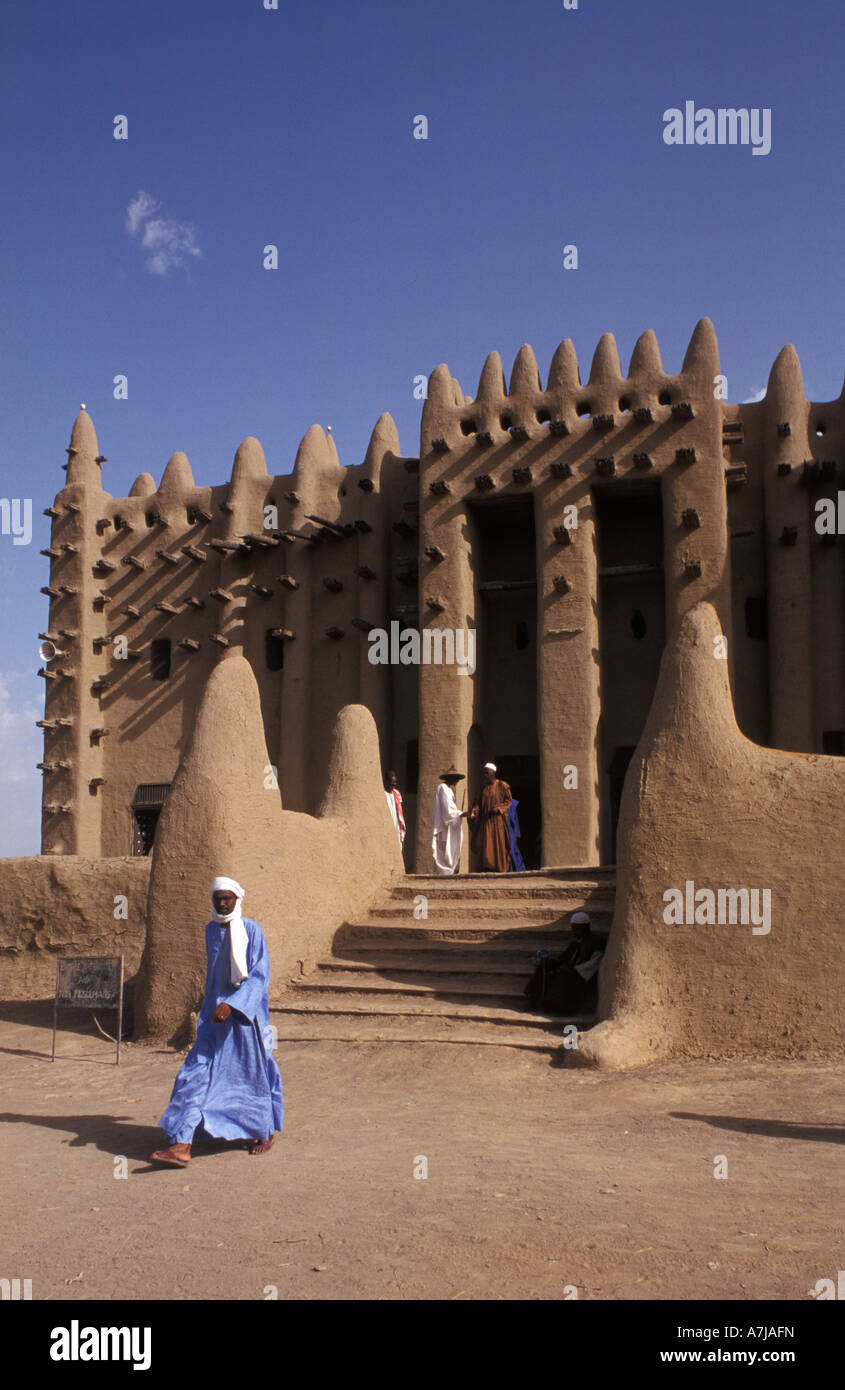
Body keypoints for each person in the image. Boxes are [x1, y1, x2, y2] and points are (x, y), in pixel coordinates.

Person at [150, 876, 283, 1166]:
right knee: (194, 1075)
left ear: (238, 899)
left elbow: (260, 976)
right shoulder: (211, 930)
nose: (223, 903)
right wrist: (211, 1008)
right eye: (218, 898)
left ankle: (264, 1132)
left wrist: (233, 1005)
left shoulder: (251, 930)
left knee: (249, 1077)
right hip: (213, 1019)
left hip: (245, 1019)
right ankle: (182, 1144)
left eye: (228, 898)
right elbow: (213, 977)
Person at [524, 911, 605, 1015]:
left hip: (582, 976)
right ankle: (533, 999)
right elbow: (562, 959)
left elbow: (594, 963)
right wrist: (549, 961)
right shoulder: (575, 943)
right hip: (569, 971)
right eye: (574, 927)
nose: (575, 930)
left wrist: (575, 970)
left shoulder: (597, 942)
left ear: (587, 926)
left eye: (578, 927)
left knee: (564, 976)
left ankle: (562, 1009)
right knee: (544, 965)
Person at [468, 762, 513, 872]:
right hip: (486, 822)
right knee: (486, 845)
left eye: (487, 773)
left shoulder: (502, 785)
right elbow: (477, 803)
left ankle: (499, 868)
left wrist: (499, 808)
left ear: (493, 773)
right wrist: (474, 811)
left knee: (499, 845)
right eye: (484, 773)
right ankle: (488, 868)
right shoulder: (483, 788)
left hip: (498, 822)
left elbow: (508, 801)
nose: (485, 775)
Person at [432, 765, 468, 875]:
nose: (457, 781)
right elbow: (448, 811)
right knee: (443, 851)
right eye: (456, 778)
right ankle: (444, 873)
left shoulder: (449, 791)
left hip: (449, 826)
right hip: (443, 826)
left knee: (449, 850)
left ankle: (450, 872)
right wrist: (462, 813)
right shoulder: (442, 788)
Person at [384, 769, 406, 850]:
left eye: (395, 782)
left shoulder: (396, 794)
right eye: (391, 782)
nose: (394, 785)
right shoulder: (383, 794)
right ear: (386, 781)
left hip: (396, 825)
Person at [506, 797, 526, 873]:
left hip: (510, 831)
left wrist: (516, 834)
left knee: (512, 850)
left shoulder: (511, 804)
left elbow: (515, 820)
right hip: (501, 830)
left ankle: (517, 870)